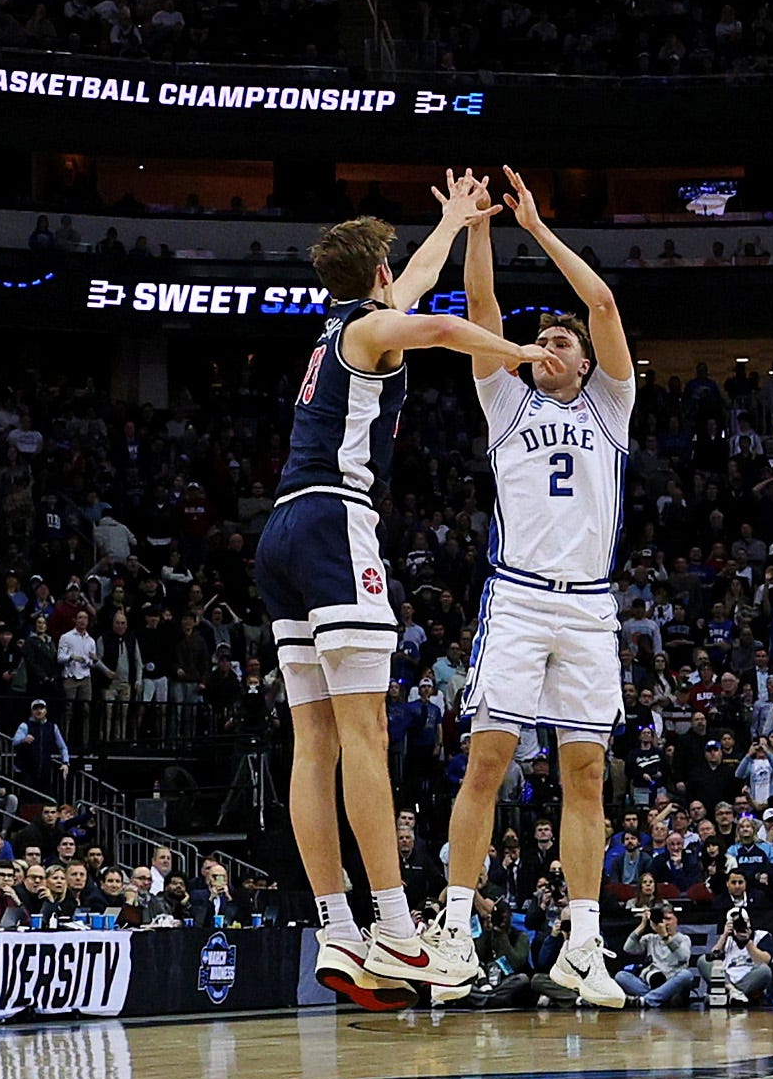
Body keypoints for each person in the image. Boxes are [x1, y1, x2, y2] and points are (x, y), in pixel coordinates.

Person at [258, 177, 551, 1006]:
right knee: (365, 733)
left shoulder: (339, 326)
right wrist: (518, 353)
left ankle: (339, 932)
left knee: (313, 742)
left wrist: (454, 222)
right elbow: (437, 321)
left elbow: (415, 286)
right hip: (334, 524)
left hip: (281, 533)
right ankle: (394, 927)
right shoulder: (379, 324)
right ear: (376, 272)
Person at [433, 168, 630, 1008]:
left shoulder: (610, 406)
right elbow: (481, 320)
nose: (550, 348)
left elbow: (605, 307)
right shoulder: (505, 401)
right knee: (489, 761)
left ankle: (583, 943)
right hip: (516, 596)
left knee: (586, 774)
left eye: (563, 342)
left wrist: (539, 227)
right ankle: (450, 932)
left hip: (589, 603)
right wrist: (478, 226)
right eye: (539, 341)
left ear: (584, 362)